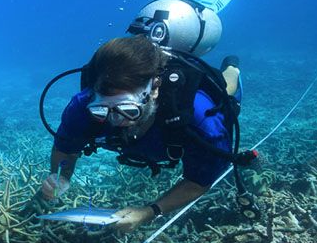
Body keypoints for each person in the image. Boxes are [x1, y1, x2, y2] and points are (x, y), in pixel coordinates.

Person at [38, 30, 245, 232]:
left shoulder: (201, 118)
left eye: (128, 110)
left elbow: (199, 182)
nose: (116, 119)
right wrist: (61, 176)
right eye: (101, 111)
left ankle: (232, 68)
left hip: (202, 99)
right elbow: (65, 149)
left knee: (226, 88)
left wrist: (149, 212)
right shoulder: (81, 107)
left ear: (154, 88)